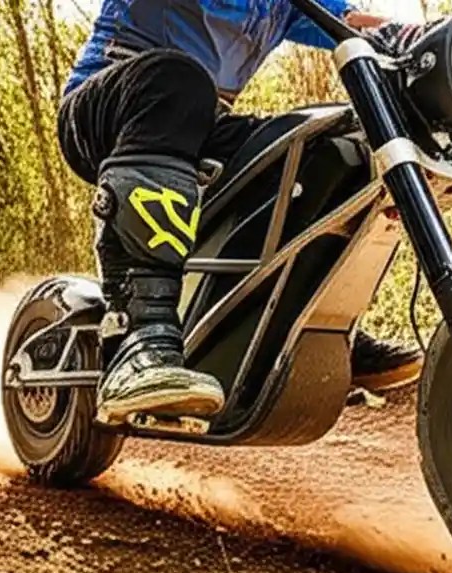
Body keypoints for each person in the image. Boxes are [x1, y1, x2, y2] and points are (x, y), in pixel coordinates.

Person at [57, 0, 428, 426]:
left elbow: (349, 23)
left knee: (317, 152)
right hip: (110, 103)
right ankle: (137, 336)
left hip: (199, 121)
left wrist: (421, 38)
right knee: (177, 81)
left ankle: (301, 326)